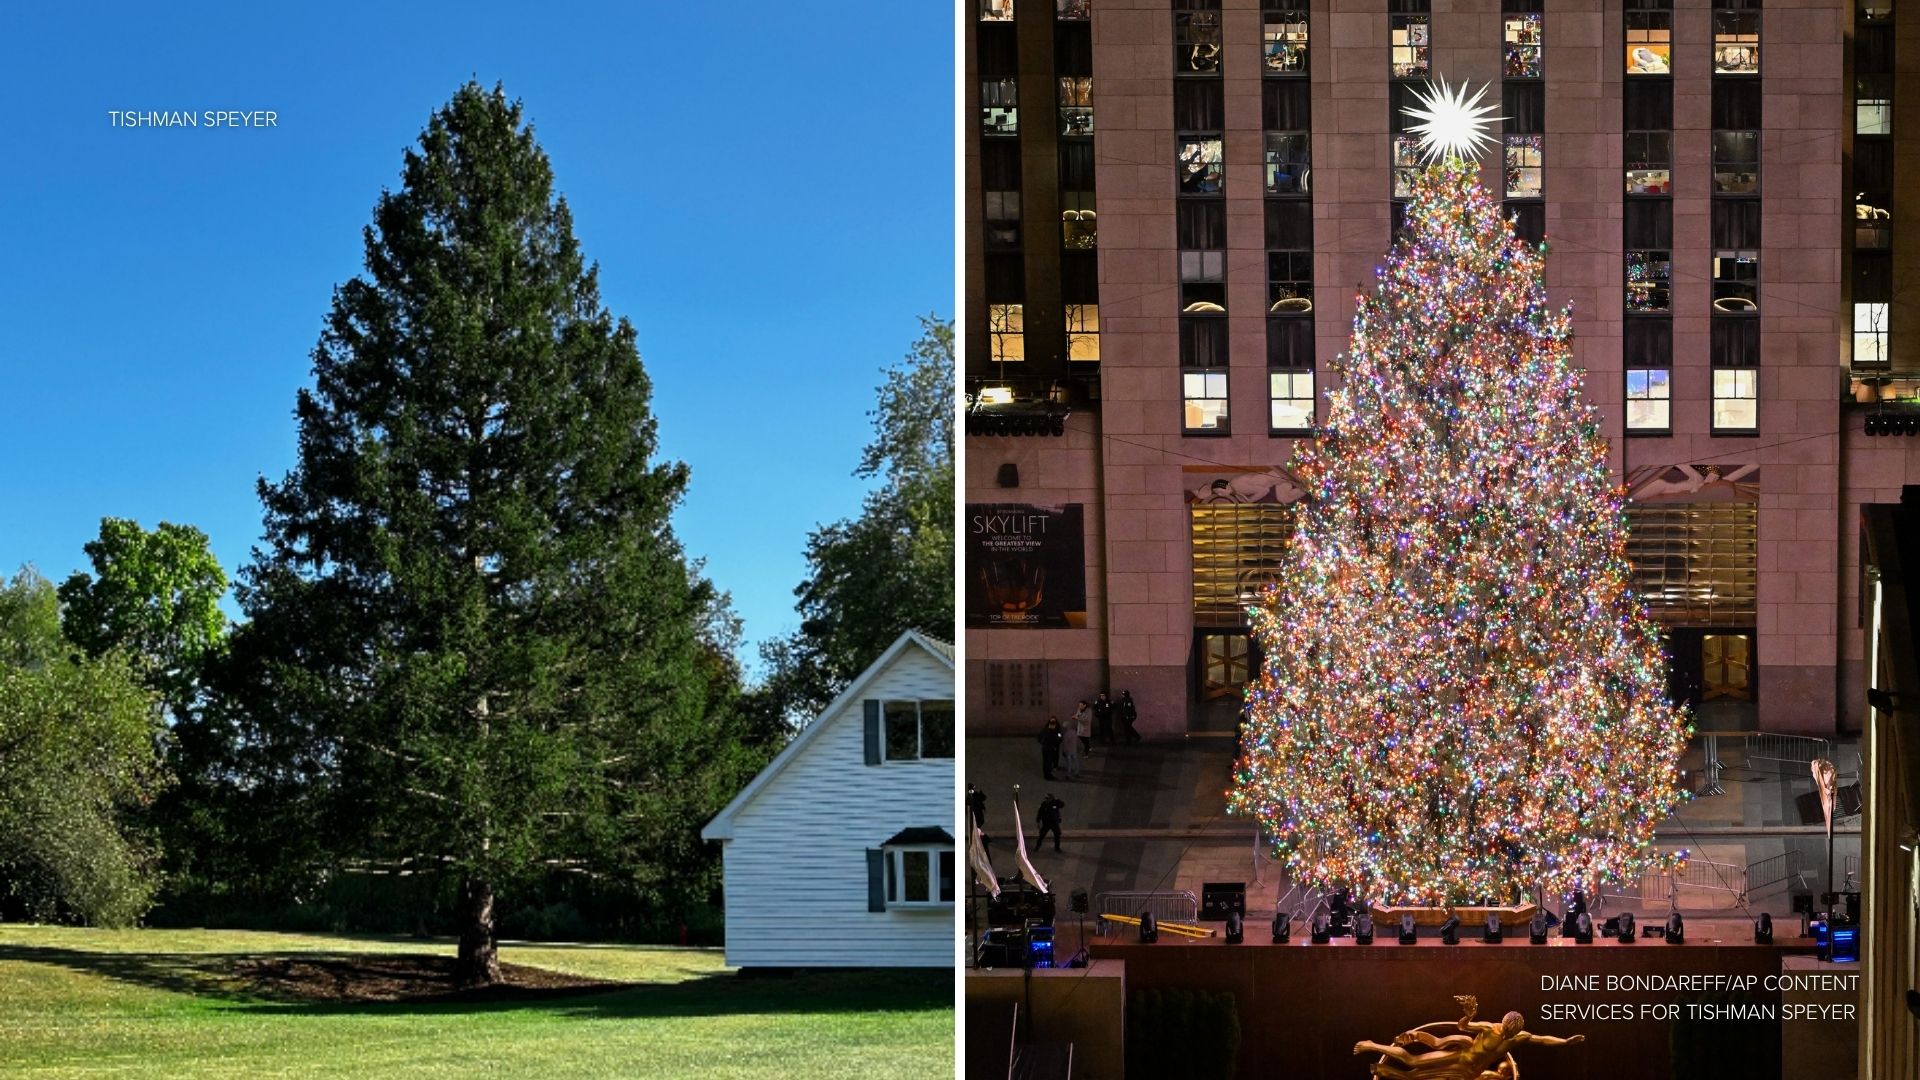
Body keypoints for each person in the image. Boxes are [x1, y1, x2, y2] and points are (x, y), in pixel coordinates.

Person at [1037, 716, 1065, 781]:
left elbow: (1039, 738)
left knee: (1045, 762)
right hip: (1050, 749)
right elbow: (1058, 739)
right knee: (1048, 762)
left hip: (1045, 748)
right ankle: (1048, 775)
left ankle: (1046, 774)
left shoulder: (1044, 730)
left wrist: (1043, 743)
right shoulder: (1053, 732)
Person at [967, 783, 989, 851]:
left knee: (980, 822)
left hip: (978, 812)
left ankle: (977, 834)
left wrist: (980, 792)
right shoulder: (969, 795)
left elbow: (983, 798)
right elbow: (967, 803)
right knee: (976, 824)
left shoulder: (976, 794)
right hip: (974, 813)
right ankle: (976, 836)